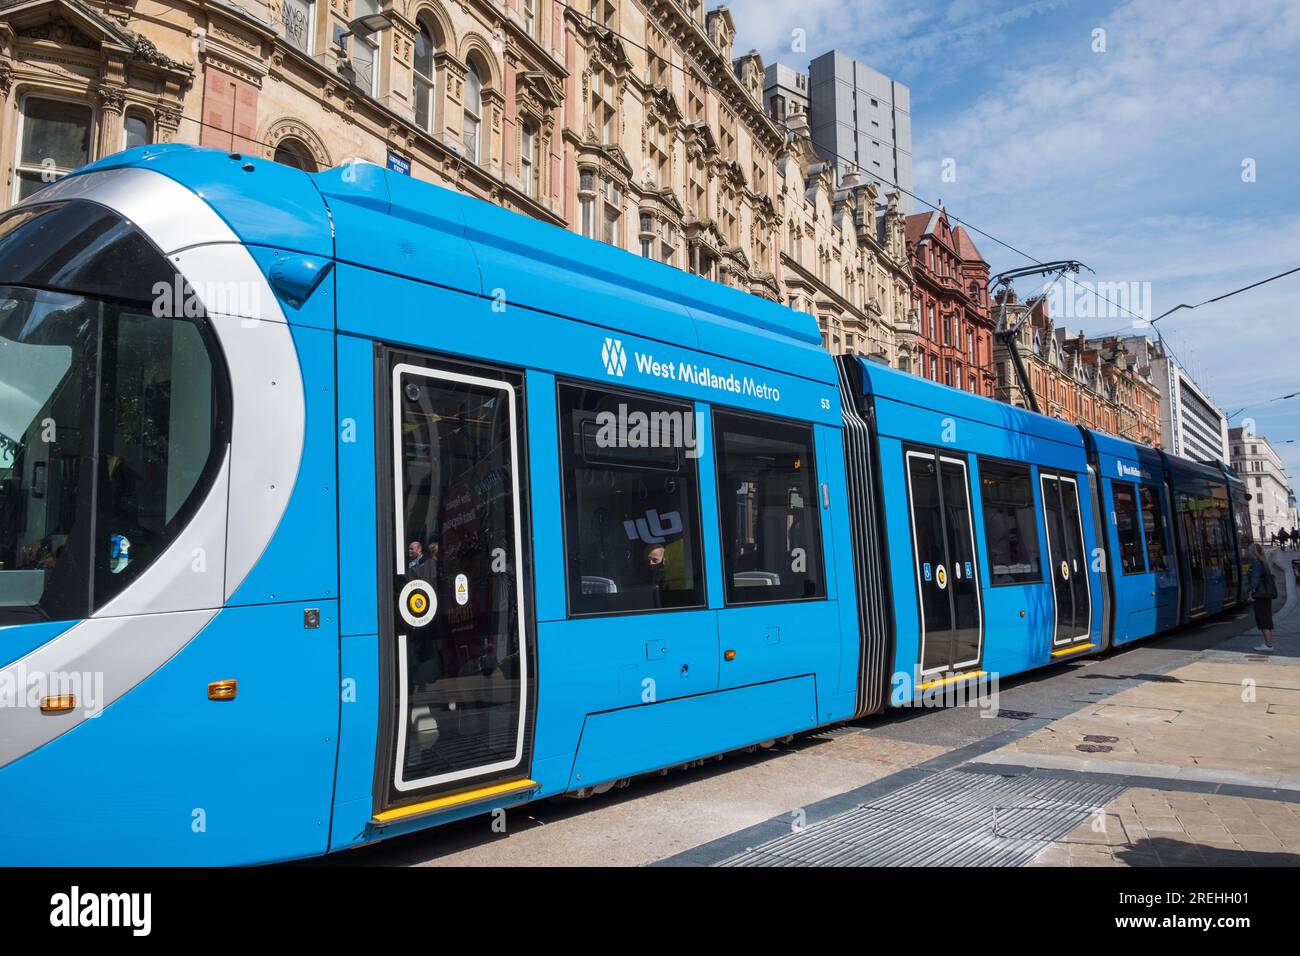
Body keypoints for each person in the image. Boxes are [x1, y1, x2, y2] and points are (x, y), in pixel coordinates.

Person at [1245, 542, 1281, 652]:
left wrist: (1250, 592)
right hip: (1265, 595)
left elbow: (1255, 580)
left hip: (1260, 595)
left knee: (1263, 619)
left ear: (1253, 552)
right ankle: (1267, 643)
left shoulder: (1256, 563)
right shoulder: (1263, 562)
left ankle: (1268, 645)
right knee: (1266, 618)